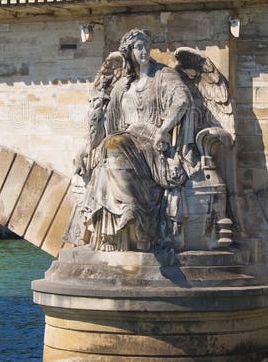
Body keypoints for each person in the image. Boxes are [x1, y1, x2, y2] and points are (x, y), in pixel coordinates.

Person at [77, 28, 195, 253]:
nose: (144, 51)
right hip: (122, 142)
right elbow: (106, 128)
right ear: (129, 52)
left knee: (112, 148)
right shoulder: (122, 87)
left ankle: (129, 216)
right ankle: (131, 215)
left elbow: (182, 100)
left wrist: (164, 130)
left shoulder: (163, 75)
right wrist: (84, 149)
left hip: (151, 142)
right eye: (138, 47)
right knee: (107, 148)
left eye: (146, 46)